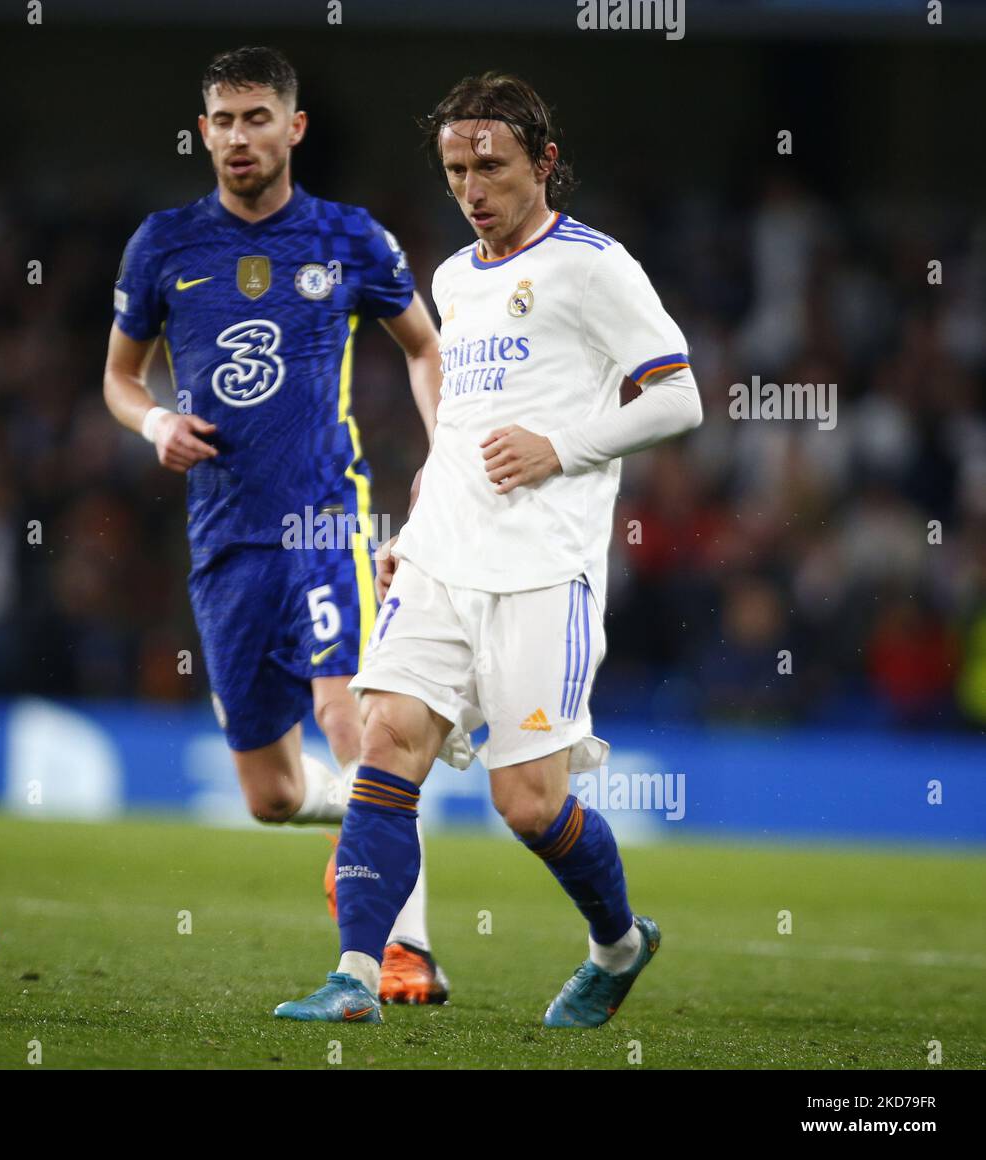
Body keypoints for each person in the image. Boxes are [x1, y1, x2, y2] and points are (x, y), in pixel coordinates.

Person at [275, 72, 702, 1026]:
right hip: (440, 560)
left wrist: (562, 447)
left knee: (529, 805)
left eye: (492, 167)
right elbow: (462, 425)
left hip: (543, 570)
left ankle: (619, 943)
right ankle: (358, 975)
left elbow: (681, 397)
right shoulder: (454, 278)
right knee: (384, 745)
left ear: (544, 162)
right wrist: (419, 526)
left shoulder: (594, 267)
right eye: (456, 171)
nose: (472, 189)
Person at [102, 46, 452, 1003]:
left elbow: (425, 348)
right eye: (222, 119)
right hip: (225, 537)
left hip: (325, 515)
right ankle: (369, 832)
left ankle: (403, 949)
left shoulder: (348, 237)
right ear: (202, 130)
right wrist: (155, 423)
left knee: (350, 718)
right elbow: (120, 378)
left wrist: (445, 453)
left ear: (293, 128)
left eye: (257, 117)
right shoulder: (164, 245)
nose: (238, 136)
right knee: (272, 797)